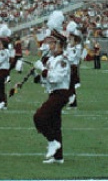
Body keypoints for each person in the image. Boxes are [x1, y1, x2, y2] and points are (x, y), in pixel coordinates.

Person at [33, 10, 71, 165]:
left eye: (52, 43)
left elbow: (55, 78)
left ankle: (52, 142)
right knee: (55, 124)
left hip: (61, 94)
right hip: (53, 92)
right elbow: (48, 80)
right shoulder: (52, 59)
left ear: (59, 44)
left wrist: (42, 70)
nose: (49, 46)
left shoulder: (63, 60)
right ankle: (58, 157)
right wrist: (40, 78)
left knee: (39, 117)